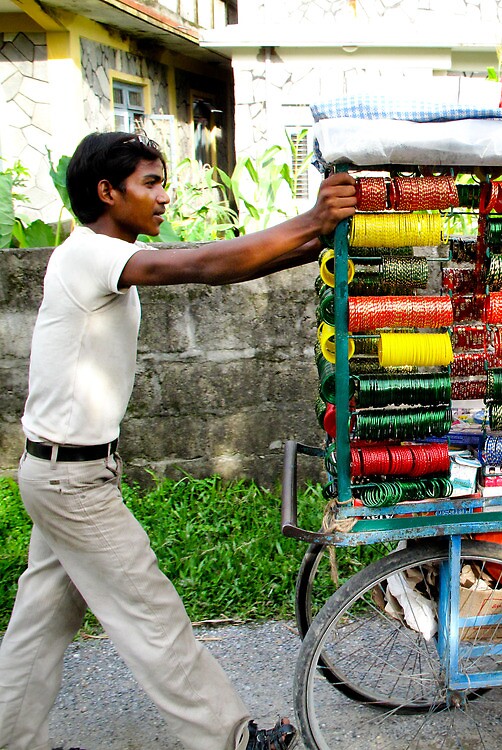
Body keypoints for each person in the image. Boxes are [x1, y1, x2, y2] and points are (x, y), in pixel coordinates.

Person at [0, 131, 356, 750]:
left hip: (59, 474)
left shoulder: (106, 255)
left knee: (39, 624)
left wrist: (317, 239)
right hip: (73, 483)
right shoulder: (88, 252)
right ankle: (231, 740)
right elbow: (202, 267)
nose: (163, 197)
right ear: (107, 193)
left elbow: (221, 262)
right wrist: (310, 218)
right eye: (150, 184)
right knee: (151, 613)